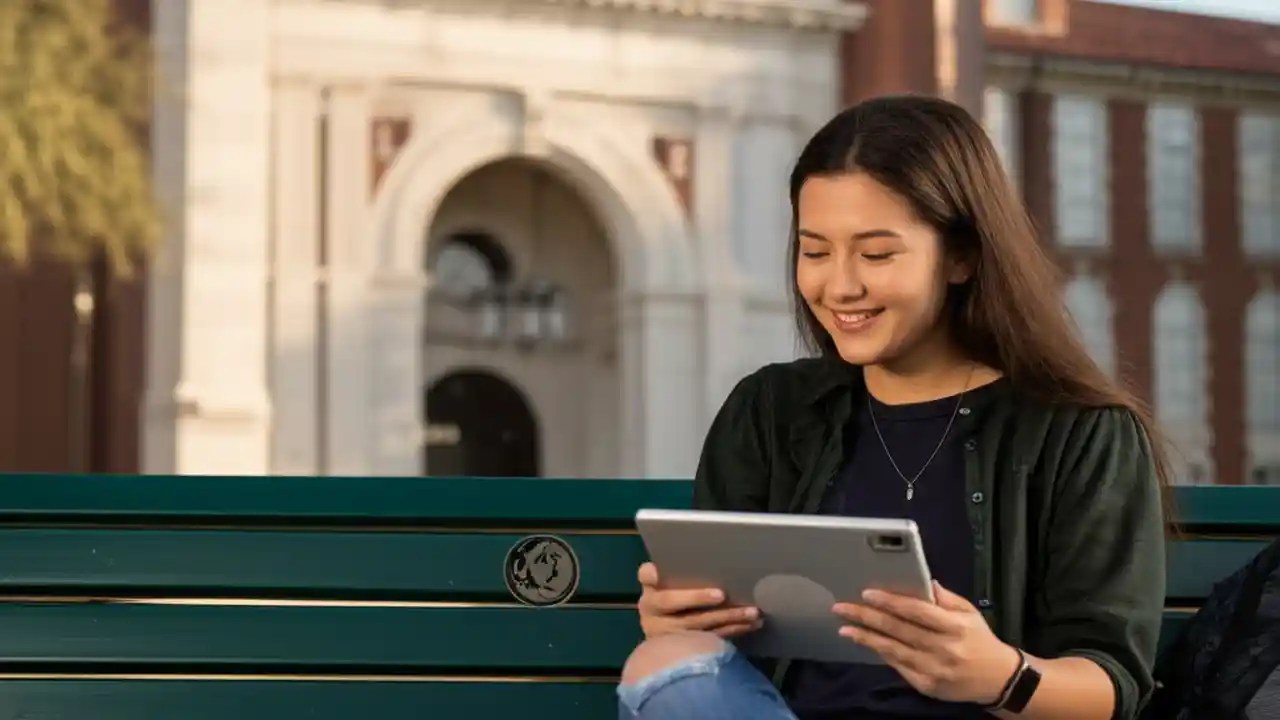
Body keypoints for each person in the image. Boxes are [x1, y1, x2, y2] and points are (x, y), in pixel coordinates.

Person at [617, 95, 1170, 720]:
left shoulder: (1080, 432)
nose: (840, 286)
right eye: (816, 251)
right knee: (662, 667)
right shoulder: (770, 411)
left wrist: (999, 675)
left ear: (962, 256)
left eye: (876, 254)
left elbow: (1111, 683)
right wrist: (681, 623)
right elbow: (718, 654)